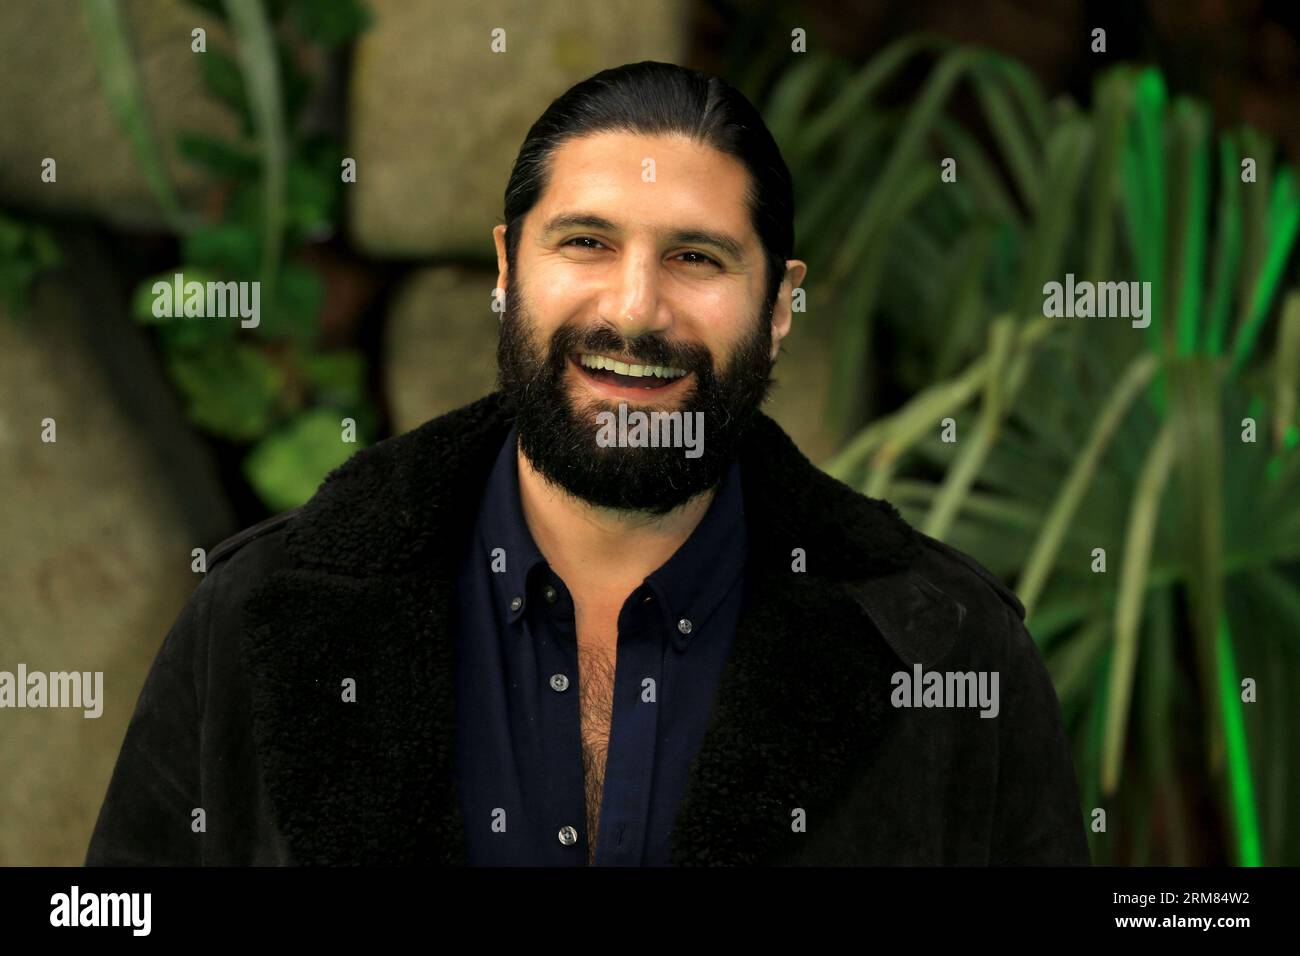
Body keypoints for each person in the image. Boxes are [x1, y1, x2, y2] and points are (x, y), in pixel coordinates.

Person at [86, 60, 1089, 866]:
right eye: (587, 242)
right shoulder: (256, 617)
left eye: (696, 257)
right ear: (506, 266)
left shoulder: (951, 650)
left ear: (779, 307)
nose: (633, 309)